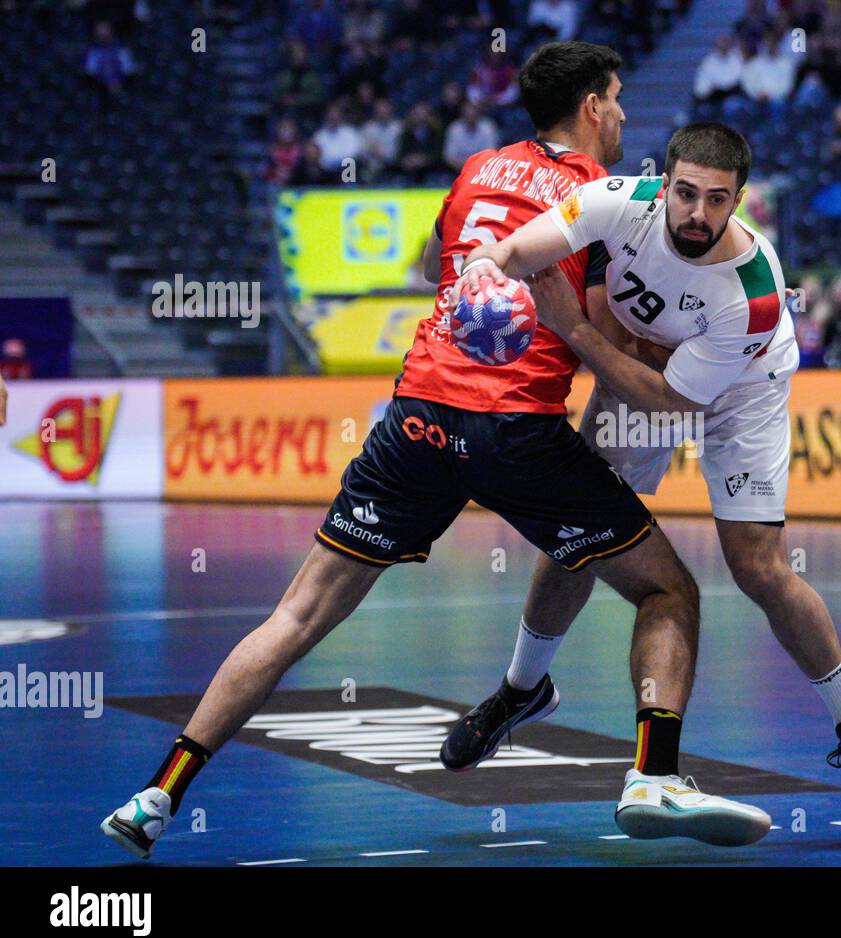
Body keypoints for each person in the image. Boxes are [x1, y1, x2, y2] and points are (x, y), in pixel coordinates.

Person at [100, 42, 771, 861]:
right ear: (593, 106)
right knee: (667, 589)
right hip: (514, 429)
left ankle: (156, 794)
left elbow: (430, 267)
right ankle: (652, 775)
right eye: (619, 100)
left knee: (297, 615)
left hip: (417, 416)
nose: (626, 115)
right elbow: (612, 336)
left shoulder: (479, 166)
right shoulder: (601, 203)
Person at [448, 122, 841, 805]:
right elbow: (521, 246)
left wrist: (573, 329)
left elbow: (670, 400)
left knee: (758, 566)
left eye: (717, 200)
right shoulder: (617, 201)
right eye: (686, 193)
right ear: (663, 182)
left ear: (740, 199)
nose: (698, 213)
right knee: (581, 533)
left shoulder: (751, 291)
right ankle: (522, 689)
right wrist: (487, 261)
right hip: (643, 365)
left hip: (738, 390)